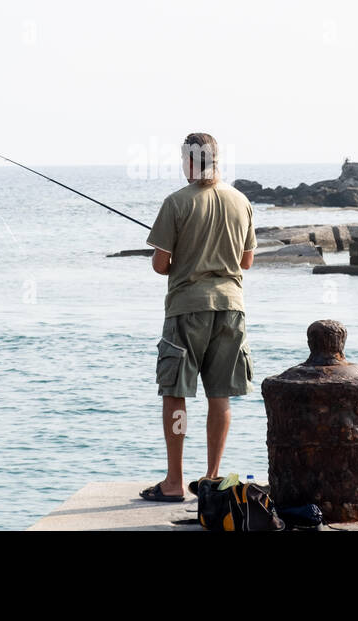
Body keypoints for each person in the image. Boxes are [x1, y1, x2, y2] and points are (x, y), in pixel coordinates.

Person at [140, 132, 256, 502]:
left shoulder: (176, 203)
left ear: (188, 161)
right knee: (219, 394)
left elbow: (161, 265)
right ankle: (213, 478)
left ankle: (174, 482)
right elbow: (246, 261)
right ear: (217, 158)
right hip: (231, 308)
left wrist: (181, 260)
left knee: (176, 392)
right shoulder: (240, 201)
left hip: (188, 308)